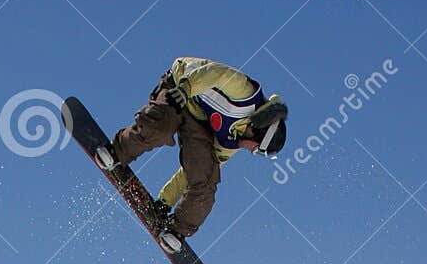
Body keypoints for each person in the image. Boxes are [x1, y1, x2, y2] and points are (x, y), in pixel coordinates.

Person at [97, 57, 288, 244]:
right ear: (258, 134)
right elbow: (216, 74)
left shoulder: (230, 143)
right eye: (257, 151)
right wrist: (186, 89)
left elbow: (194, 172)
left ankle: (177, 229)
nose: (252, 152)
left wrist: (164, 202)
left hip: (197, 122)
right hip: (179, 87)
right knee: (161, 127)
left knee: (206, 176)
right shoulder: (246, 95)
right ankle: (116, 152)